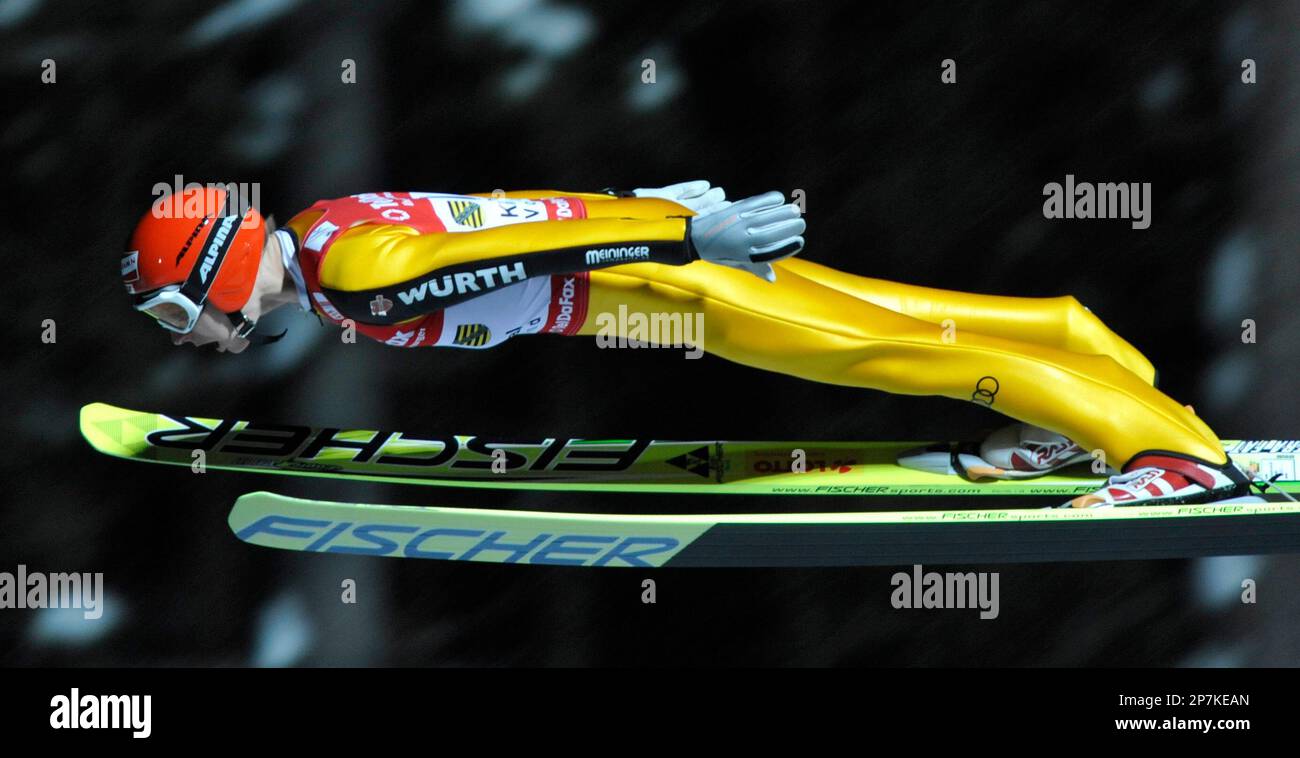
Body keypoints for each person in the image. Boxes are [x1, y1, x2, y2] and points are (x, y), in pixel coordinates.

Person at [121, 182, 1255, 508]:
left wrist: (678, 227)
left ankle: (1175, 454)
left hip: (674, 283)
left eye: (182, 311)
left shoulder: (349, 276)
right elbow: (506, 213)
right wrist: (643, 200)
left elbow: (515, 249)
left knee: (896, 357)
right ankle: (1091, 361)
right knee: (903, 319)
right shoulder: (326, 223)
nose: (196, 337)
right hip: (661, 264)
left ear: (219, 266)